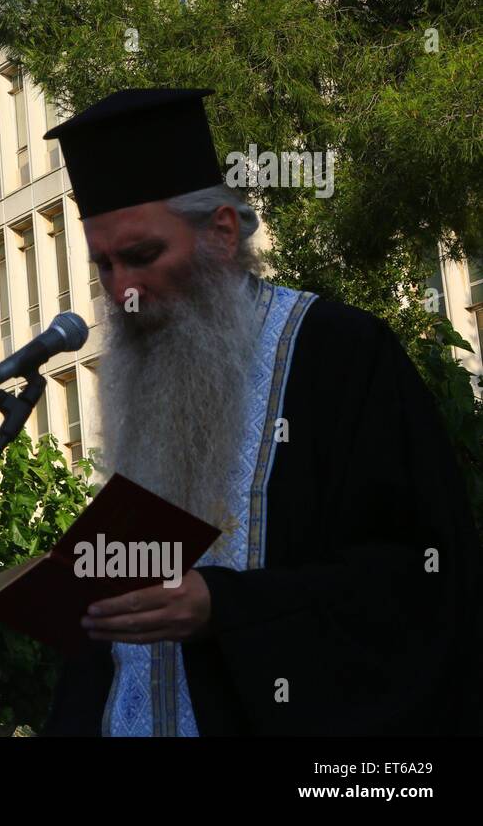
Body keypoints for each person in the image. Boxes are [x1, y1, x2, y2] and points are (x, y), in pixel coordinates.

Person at [39, 88, 482, 735]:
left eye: (141, 257)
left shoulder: (342, 353)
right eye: (103, 266)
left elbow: (422, 578)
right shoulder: (148, 384)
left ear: (220, 233)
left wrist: (226, 606)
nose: (121, 292)